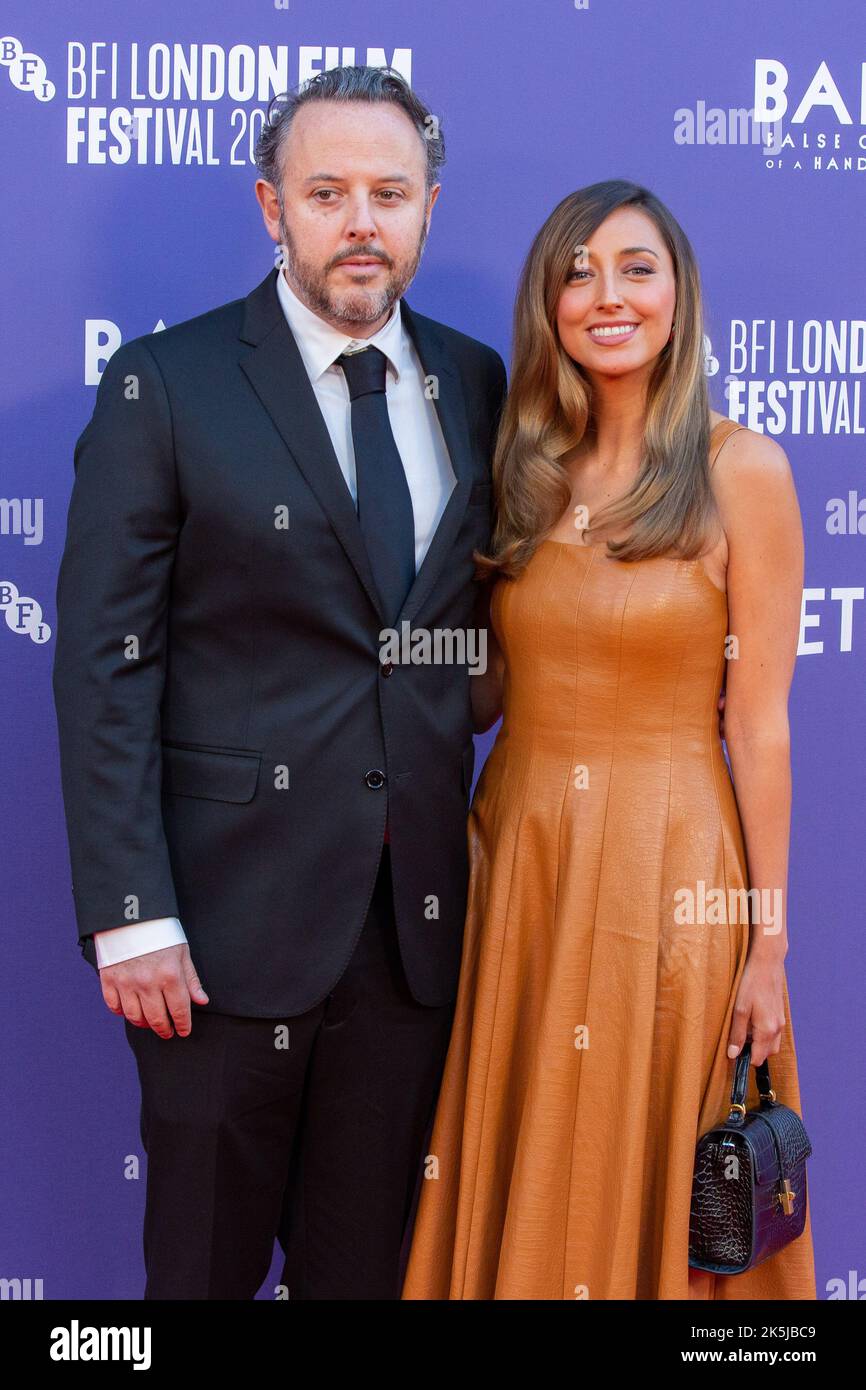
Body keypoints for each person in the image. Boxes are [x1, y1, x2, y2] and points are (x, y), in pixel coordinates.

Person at [51, 65, 506, 1300]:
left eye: (388, 193)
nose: (361, 220)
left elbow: (450, 630)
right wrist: (130, 908)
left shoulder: (474, 384)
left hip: (408, 935)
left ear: (426, 210)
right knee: (197, 1275)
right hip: (217, 935)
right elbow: (103, 659)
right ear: (270, 207)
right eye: (327, 191)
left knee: (359, 1278)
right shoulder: (167, 384)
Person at [401, 180, 817, 1300]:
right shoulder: (519, 474)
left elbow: (759, 722)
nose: (605, 294)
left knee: (647, 1165)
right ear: (547, 306)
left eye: (635, 267)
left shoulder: (742, 469)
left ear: (678, 295)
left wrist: (765, 943)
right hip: (520, 865)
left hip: (669, 875)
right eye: (575, 272)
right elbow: (484, 691)